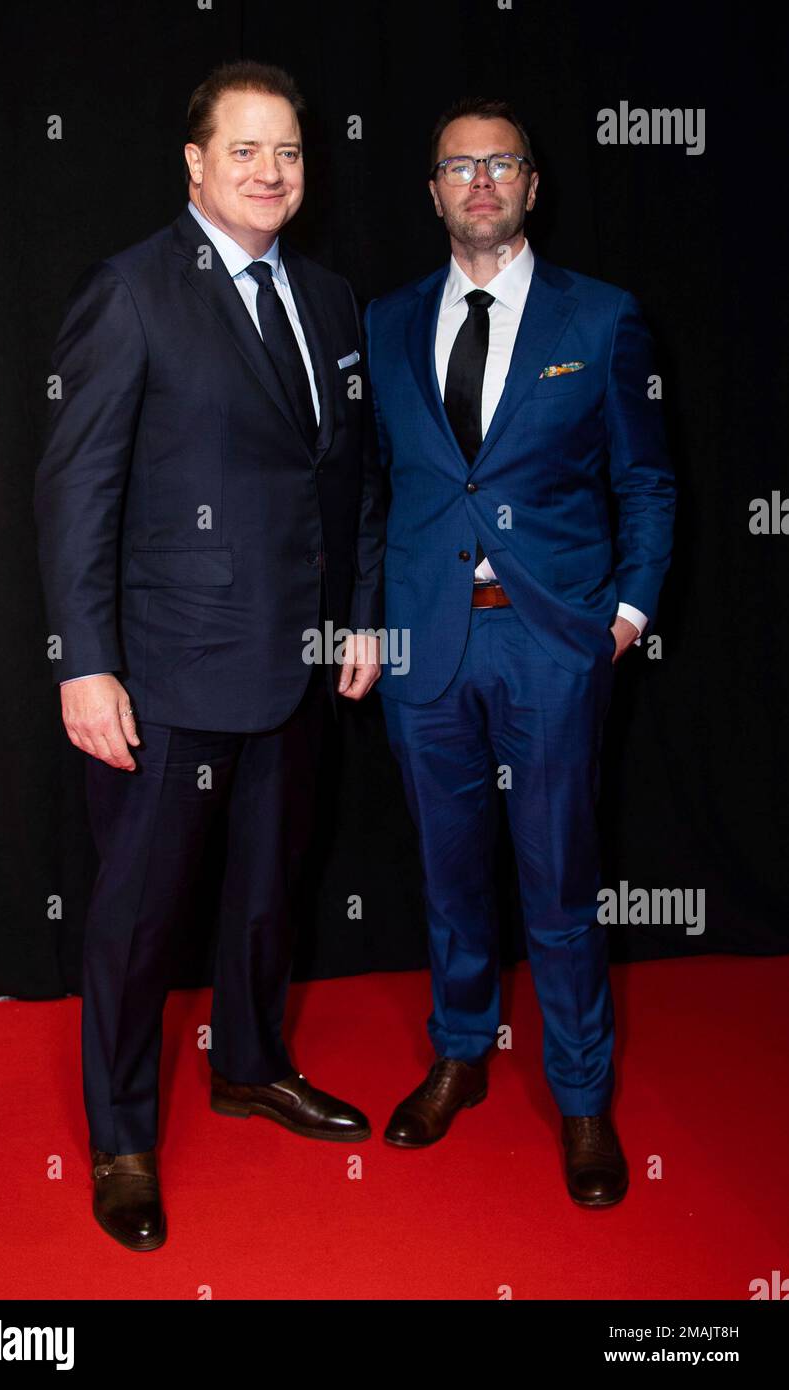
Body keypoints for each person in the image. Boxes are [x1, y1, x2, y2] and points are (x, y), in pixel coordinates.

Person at [34, 61, 383, 1251]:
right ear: (193, 163)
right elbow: (75, 490)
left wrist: (359, 616)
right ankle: (123, 1135)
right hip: (167, 670)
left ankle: (248, 1067)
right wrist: (86, 662)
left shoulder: (331, 301)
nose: (268, 173)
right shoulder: (132, 292)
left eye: (286, 152)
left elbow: (348, 481)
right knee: (136, 920)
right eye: (243, 151)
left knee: (267, 892)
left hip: (295, 661)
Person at [365, 97, 675, 1206]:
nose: (480, 181)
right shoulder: (387, 323)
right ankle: (458, 1056)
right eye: (458, 165)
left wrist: (625, 615)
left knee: (557, 883)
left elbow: (644, 478)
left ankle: (582, 1098)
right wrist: (369, 618)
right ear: (434, 192)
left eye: (501, 164)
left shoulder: (600, 319)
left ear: (531, 186)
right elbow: (375, 489)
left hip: (551, 647)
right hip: (427, 651)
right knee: (449, 879)